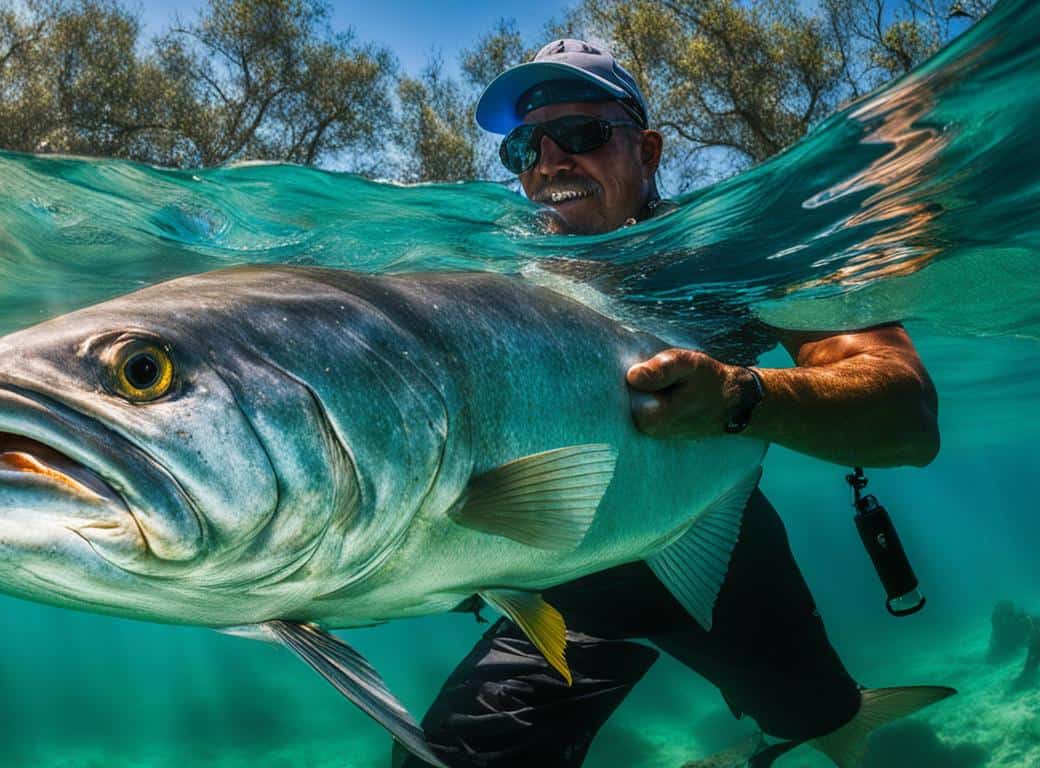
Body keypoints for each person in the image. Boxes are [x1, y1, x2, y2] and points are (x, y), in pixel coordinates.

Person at [401, 39, 944, 768]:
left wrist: (738, 398)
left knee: (818, 714)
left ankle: (820, 723)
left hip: (715, 542)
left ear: (648, 151)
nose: (551, 161)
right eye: (526, 145)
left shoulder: (735, 251)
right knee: (445, 760)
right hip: (564, 578)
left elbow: (908, 416)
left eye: (584, 135)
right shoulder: (496, 275)